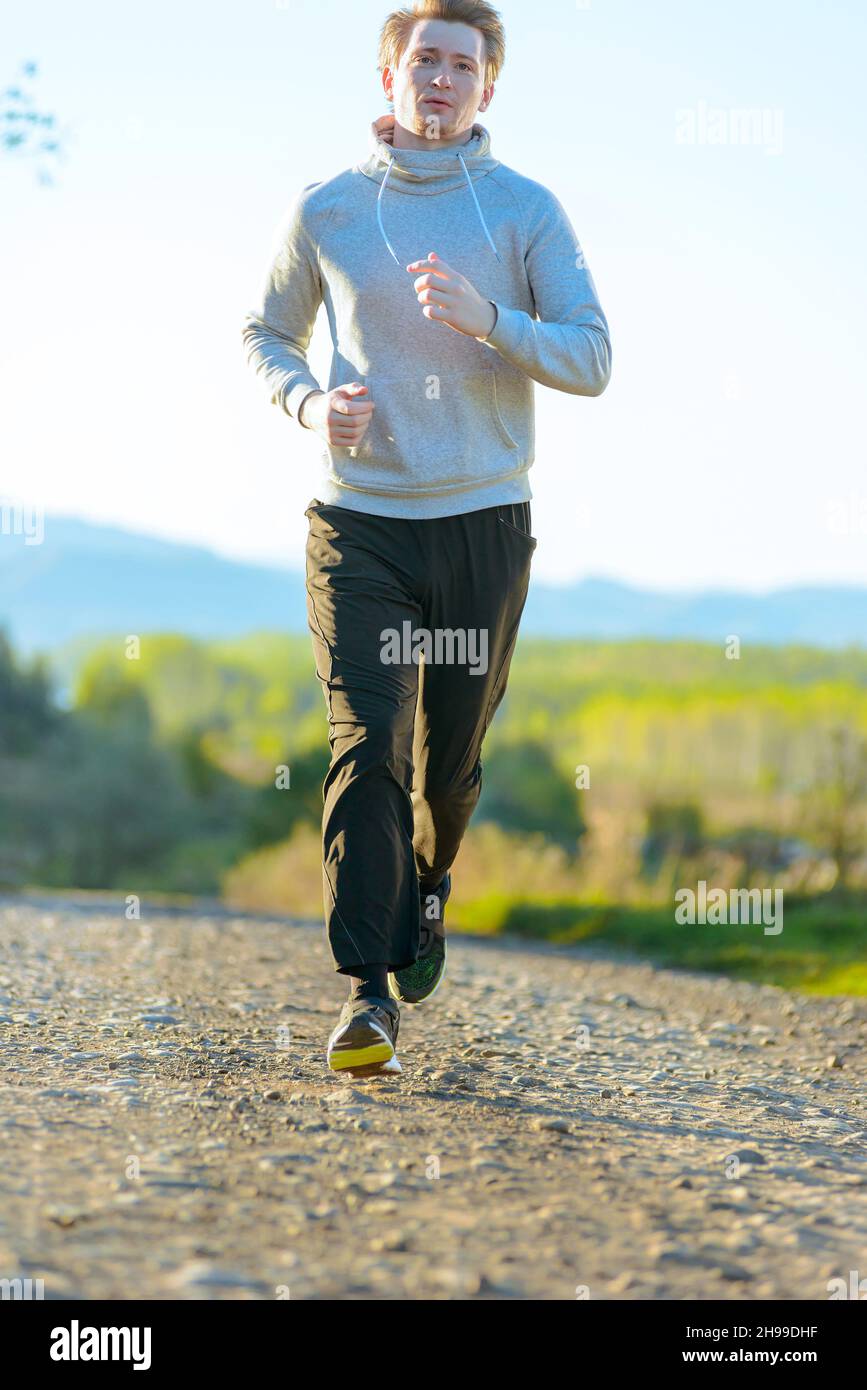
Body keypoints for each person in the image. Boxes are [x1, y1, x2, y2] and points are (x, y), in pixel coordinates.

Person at [242, 0, 611, 1076]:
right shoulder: (328, 208)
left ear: (487, 86)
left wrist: (489, 319)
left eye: (463, 63)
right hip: (359, 525)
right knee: (367, 747)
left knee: (445, 770)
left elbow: (593, 356)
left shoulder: (525, 211)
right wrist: (312, 404)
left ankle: (431, 876)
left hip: (484, 527)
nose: (441, 78)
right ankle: (365, 994)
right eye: (425, 59)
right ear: (389, 74)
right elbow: (265, 332)